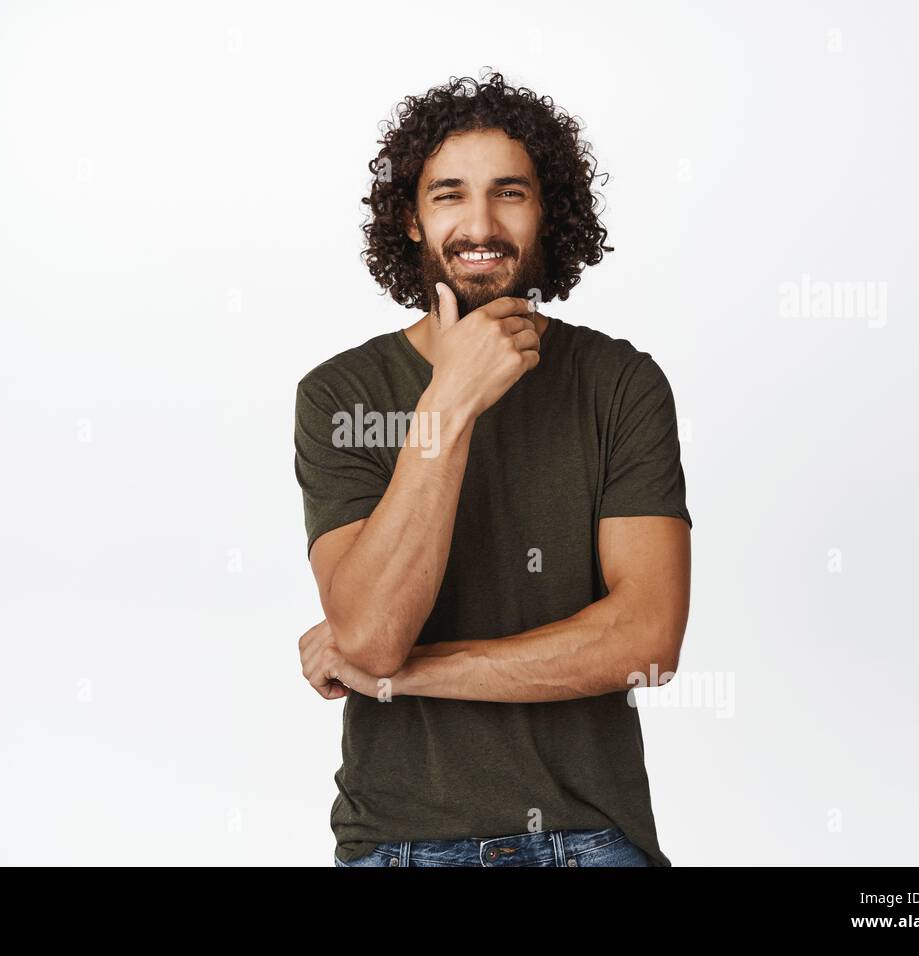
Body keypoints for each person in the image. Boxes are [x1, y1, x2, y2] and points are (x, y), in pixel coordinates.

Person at [294, 71, 692, 867]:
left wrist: (405, 678)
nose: (480, 224)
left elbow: (646, 640)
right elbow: (370, 635)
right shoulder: (341, 394)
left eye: (509, 193)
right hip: (398, 845)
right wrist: (448, 405)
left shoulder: (619, 384)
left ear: (549, 211)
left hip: (595, 839)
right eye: (449, 195)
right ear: (410, 218)